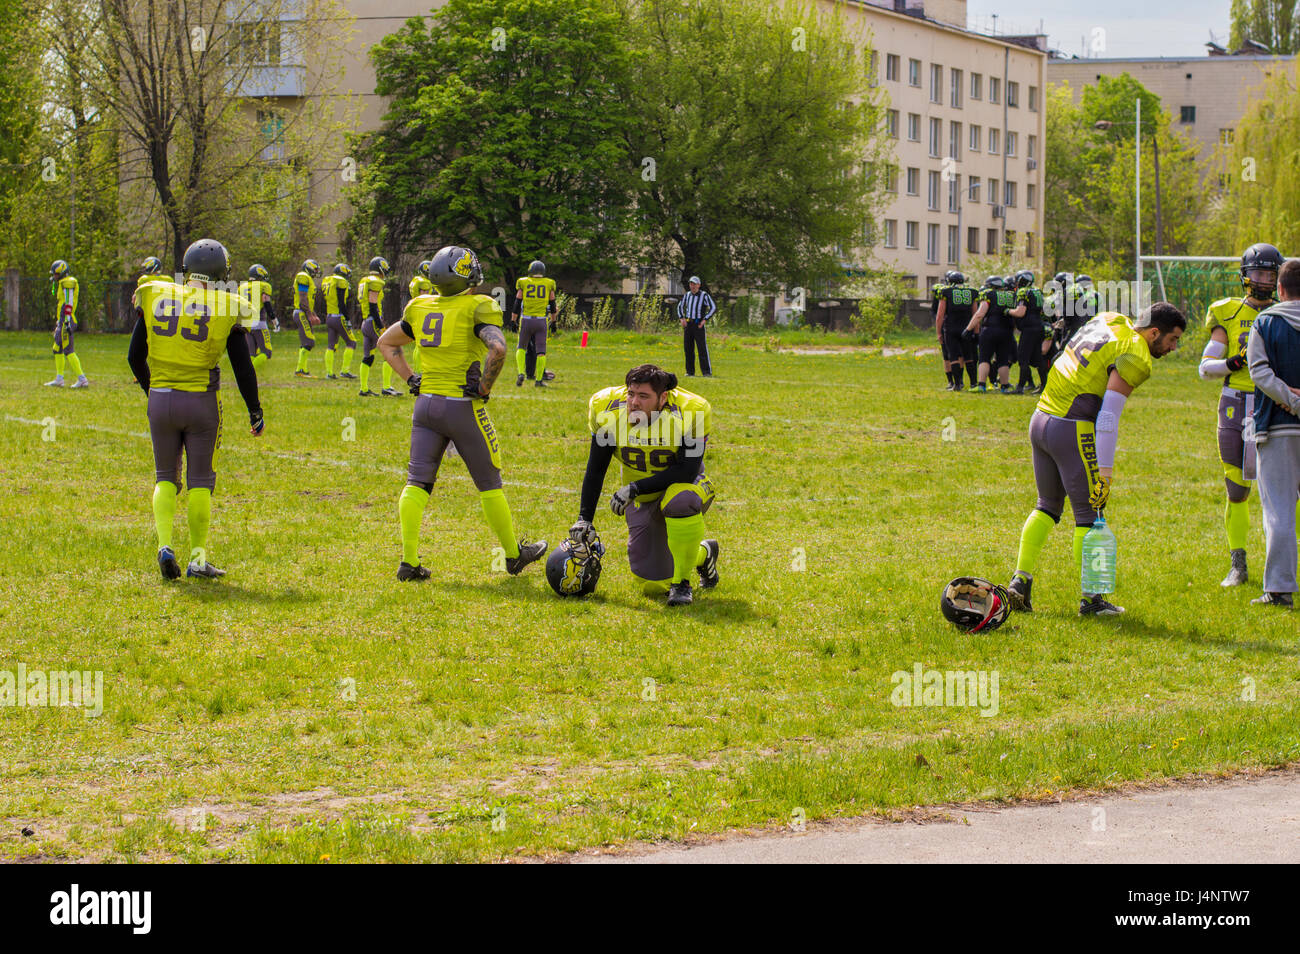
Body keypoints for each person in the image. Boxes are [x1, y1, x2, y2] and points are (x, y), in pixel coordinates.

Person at [377, 245, 546, 581]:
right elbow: (497, 348)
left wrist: (410, 378)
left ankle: (409, 561)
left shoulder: (419, 305)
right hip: (461, 406)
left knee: (417, 482)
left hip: (425, 405)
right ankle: (513, 554)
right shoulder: (478, 305)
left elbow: (386, 342)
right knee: (489, 483)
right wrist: (484, 388)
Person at [1004, 303, 1186, 616]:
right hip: (1071, 426)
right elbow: (1108, 417)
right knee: (1089, 515)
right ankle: (1092, 599)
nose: (1172, 347)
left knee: (1047, 505)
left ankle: (1020, 579)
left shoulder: (1111, 319)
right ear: (1154, 332)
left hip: (1040, 417)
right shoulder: (1137, 354)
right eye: (1172, 339)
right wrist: (1105, 472)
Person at [125, 238, 265, 580]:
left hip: (161, 398)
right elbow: (242, 365)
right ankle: (198, 559)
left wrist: (151, 389)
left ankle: (164, 545)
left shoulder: (156, 292)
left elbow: (133, 356)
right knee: (200, 481)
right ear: (222, 273)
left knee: (164, 478)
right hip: (201, 401)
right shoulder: (228, 304)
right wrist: (255, 410)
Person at [570, 363, 719, 607]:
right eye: (631, 393)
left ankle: (681, 584)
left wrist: (634, 488)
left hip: (688, 485)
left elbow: (686, 470)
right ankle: (704, 553)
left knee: (680, 500)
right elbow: (597, 467)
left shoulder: (692, 410)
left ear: (663, 398)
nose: (634, 402)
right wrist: (584, 517)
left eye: (643, 396)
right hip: (642, 498)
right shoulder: (606, 408)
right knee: (651, 585)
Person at [1198, 243, 1286, 587]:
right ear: (1244, 276)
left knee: (1287, 488)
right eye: (1258, 273)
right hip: (1236, 403)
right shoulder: (1228, 313)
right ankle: (1238, 563)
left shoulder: (1286, 313)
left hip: (1273, 403)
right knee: (1237, 488)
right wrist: (1234, 362)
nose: (1263, 280)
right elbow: (1206, 368)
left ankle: (1285, 559)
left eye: (1269, 273)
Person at [1245, 257, 1300, 608]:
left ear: (1279, 289)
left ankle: (1279, 589)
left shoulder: (1265, 321)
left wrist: (1291, 400)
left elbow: (1258, 372)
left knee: (1279, 510)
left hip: (1278, 428)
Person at [963, 276, 1017, 393]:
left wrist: (968, 329)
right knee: (1003, 360)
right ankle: (1004, 386)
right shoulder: (1011, 295)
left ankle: (981, 385)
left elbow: (980, 313)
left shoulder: (988, 294)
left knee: (984, 358)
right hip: (1007, 331)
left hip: (990, 329)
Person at [45, 260, 89, 389]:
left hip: (67, 320)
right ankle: (59, 379)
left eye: (56, 274)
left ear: (62, 273)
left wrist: (67, 321)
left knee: (68, 350)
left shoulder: (68, 282)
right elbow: (59, 300)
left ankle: (82, 379)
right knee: (57, 348)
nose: (54, 276)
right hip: (63, 320)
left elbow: (69, 303)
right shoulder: (61, 283)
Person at [357, 256, 397, 397]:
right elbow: (373, 306)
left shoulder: (364, 280)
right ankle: (386, 387)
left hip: (365, 322)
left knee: (368, 357)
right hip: (373, 321)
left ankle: (364, 388)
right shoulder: (375, 282)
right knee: (391, 350)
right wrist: (381, 326)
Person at [513, 259, 556, 387]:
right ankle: (538, 381)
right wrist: (554, 321)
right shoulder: (549, 283)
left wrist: (513, 319)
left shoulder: (524, 282)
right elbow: (552, 304)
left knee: (521, 347)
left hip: (526, 320)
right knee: (541, 351)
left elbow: (517, 302)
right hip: (541, 321)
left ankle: (521, 373)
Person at [1007, 269, 1048, 394]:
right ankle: (1044, 386)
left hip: (1029, 328)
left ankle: (1020, 387)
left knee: (1023, 357)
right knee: (1038, 357)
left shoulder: (1023, 291)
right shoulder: (1037, 291)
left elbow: (1020, 312)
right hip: (1039, 326)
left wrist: (1008, 311)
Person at [935, 271, 977, 391]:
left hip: (951, 327)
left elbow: (940, 315)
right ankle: (974, 383)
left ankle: (957, 384)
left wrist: (938, 332)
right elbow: (975, 314)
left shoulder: (945, 292)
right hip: (967, 327)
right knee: (968, 356)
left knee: (953, 356)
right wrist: (975, 330)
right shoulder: (972, 292)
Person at [320, 263, 356, 380]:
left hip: (329, 316)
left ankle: (329, 373)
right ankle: (345, 370)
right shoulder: (340, 281)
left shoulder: (328, 280)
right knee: (351, 342)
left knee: (331, 345)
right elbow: (341, 303)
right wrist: (347, 318)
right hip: (338, 316)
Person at [239, 264, 276, 373]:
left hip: (246, 322)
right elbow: (266, 302)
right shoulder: (263, 285)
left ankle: (246, 374)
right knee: (267, 352)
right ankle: (248, 373)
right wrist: (273, 319)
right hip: (259, 322)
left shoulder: (241, 287)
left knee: (251, 353)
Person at [677, 276, 716, 377]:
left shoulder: (704, 295)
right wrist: (682, 318)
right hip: (689, 324)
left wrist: (705, 320)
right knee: (688, 348)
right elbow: (680, 306)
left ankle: (706, 372)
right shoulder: (687, 295)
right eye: (691, 284)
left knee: (702, 348)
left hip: (698, 324)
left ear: (699, 285)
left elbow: (713, 307)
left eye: (694, 284)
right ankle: (690, 372)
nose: (692, 286)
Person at [291, 259, 322, 377]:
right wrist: (309, 314)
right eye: (314, 269)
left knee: (307, 341)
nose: (315, 272)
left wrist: (313, 314)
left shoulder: (306, 278)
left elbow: (307, 300)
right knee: (309, 341)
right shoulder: (303, 276)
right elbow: (303, 298)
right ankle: (300, 370)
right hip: (301, 312)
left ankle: (302, 369)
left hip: (302, 312)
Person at [408, 260, 432, 375]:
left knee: (418, 342)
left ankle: (418, 370)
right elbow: (425, 297)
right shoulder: (424, 283)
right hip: (422, 311)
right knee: (421, 343)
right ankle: (418, 370)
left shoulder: (416, 280)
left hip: (415, 309)